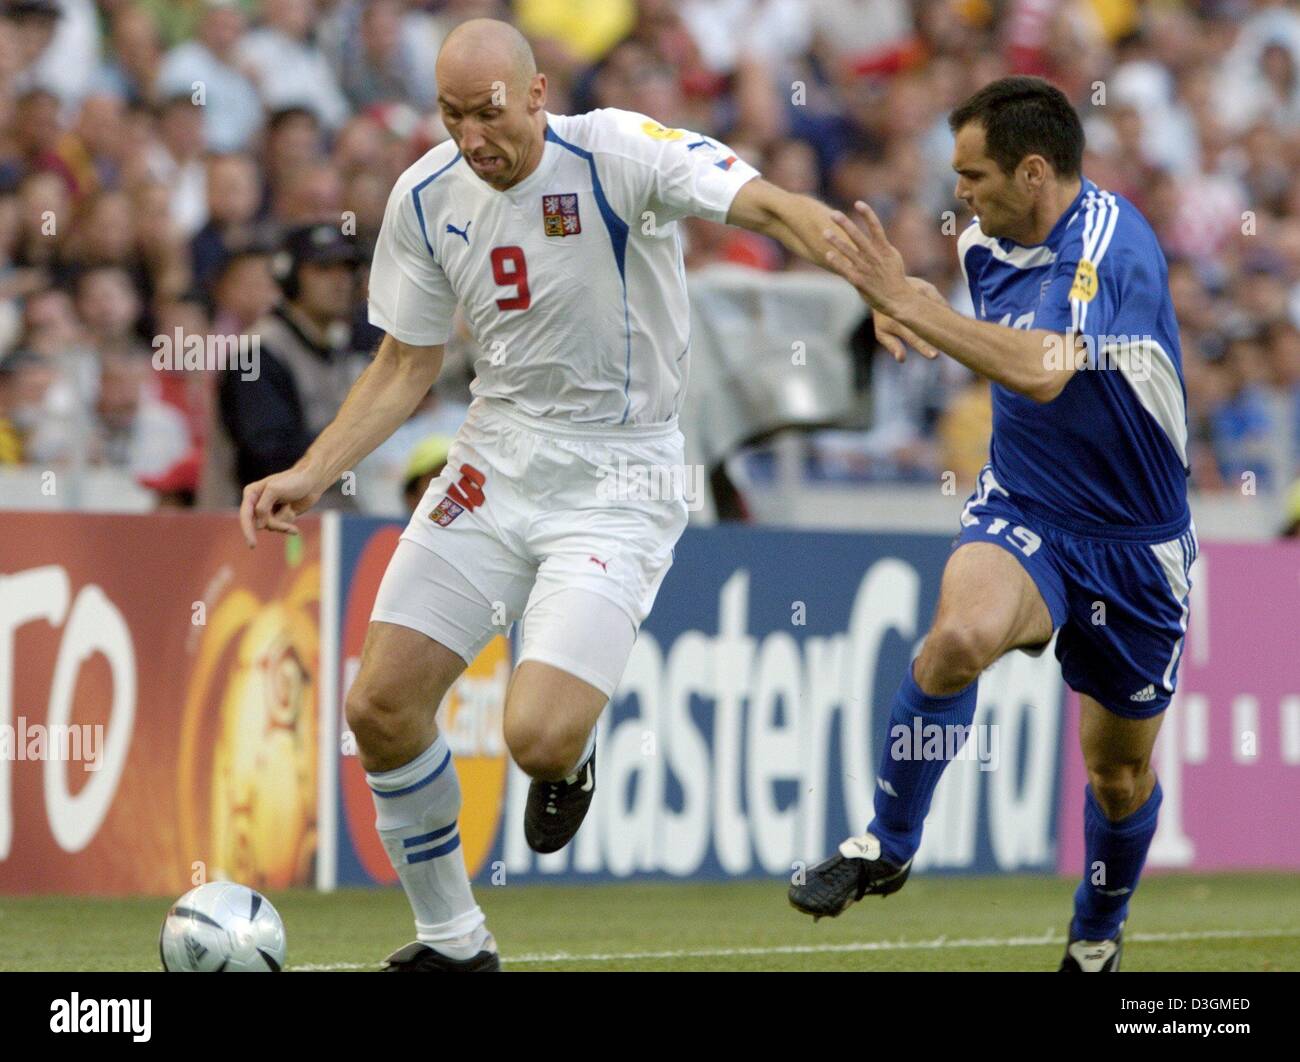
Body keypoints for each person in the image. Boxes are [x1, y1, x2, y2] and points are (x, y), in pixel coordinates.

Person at [237, 17, 854, 971]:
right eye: (452, 117)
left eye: (489, 114)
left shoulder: (616, 153)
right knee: (381, 708)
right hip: (493, 461)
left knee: (535, 736)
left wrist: (883, 290)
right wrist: (310, 472)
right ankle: (452, 940)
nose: (474, 138)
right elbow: (407, 361)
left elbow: (770, 206)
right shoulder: (425, 195)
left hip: (619, 477)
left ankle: (573, 756)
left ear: (535, 95)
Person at [790, 76, 1196, 973]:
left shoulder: (1112, 244)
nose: (959, 194)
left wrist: (922, 310)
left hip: (1137, 546)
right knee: (955, 639)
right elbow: (980, 338)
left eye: (974, 175)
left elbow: (1045, 368)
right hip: (1028, 505)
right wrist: (905, 313)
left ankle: (1096, 934)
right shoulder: (984, 241)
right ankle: (886, 844)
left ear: (1035, 171)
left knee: (1117, 776)